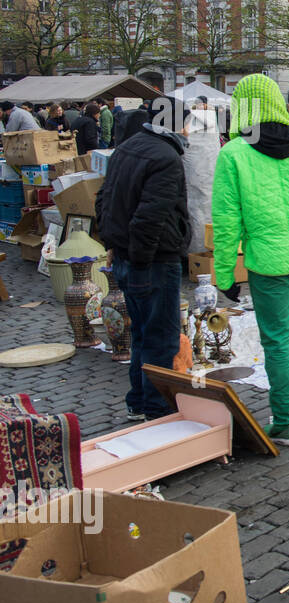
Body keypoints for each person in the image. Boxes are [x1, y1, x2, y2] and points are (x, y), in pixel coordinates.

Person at [212, 74, 289, 447]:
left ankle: (285, 421)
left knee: (277, 339)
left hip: (268, 259)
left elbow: (227, 220)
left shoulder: (234, 153)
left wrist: (224, 273)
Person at [95, 108, 190, 422]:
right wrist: (138, 258)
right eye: (189, 124)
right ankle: (157, 409)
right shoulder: (165, 158)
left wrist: (113, 244)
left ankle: (137, 401)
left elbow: (103, 198)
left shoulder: (129, 146)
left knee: (143, 335)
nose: (191, 132)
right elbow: (150, 216)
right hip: (152, 261)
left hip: (129, 256)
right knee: (161, 338)